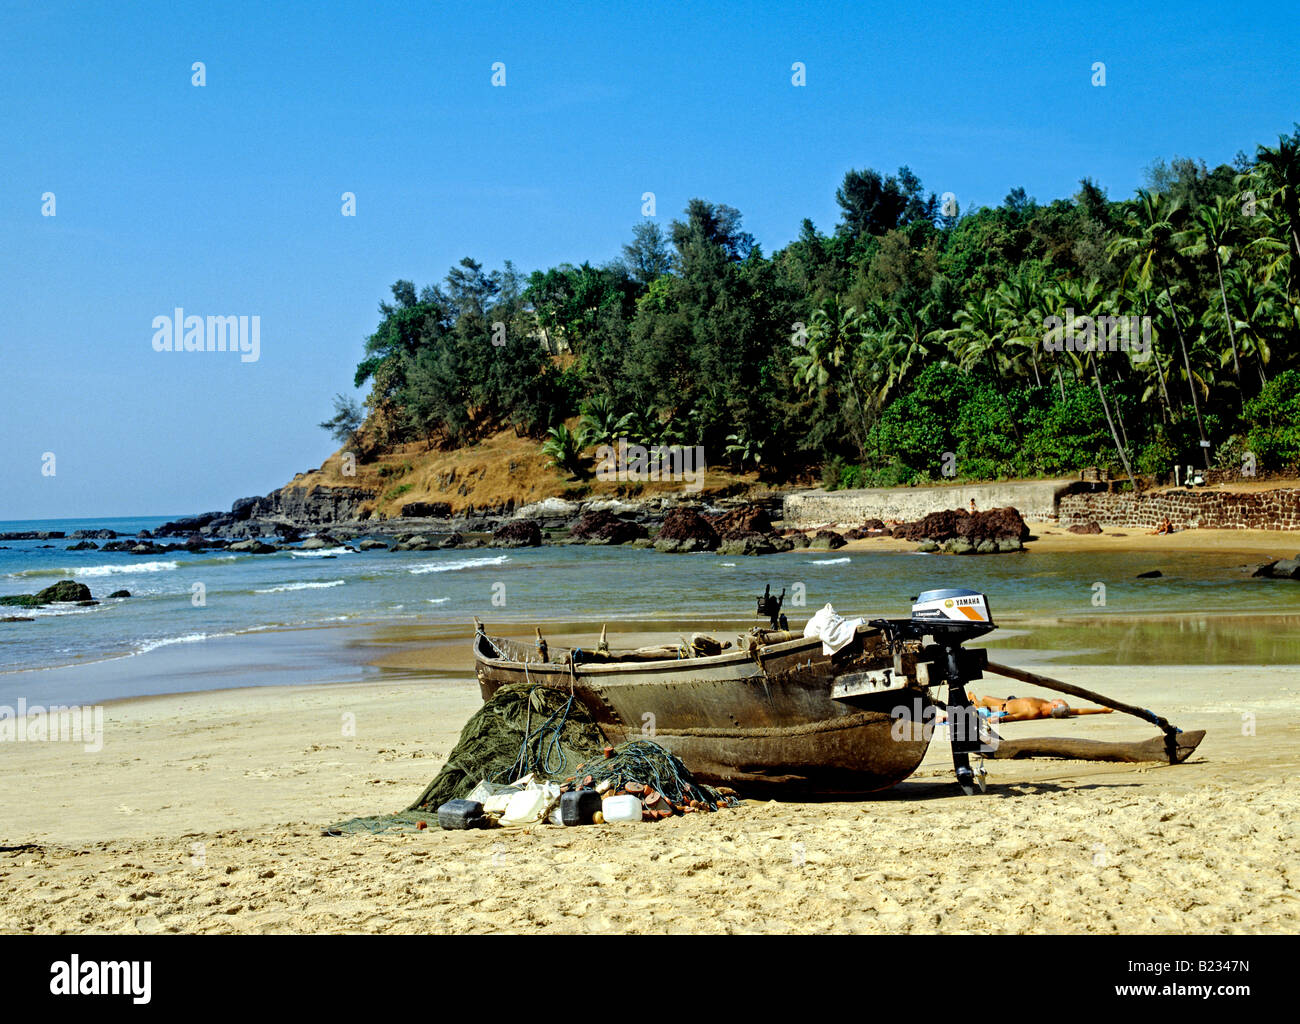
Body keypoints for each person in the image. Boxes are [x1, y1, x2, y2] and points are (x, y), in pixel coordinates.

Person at [969, 693, 1113, 722]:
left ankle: (977, 703)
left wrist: (998, 719)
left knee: (986, 699)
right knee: (988, 700)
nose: (1061, 698)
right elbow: (1079, 711)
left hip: (1003, 707)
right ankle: (977, 703)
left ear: (1055, 705)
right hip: (1012, 700)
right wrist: (1102, 710)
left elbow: (1017, 717)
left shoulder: (1034, 711)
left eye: (1061, 700)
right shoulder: (1050, 707)